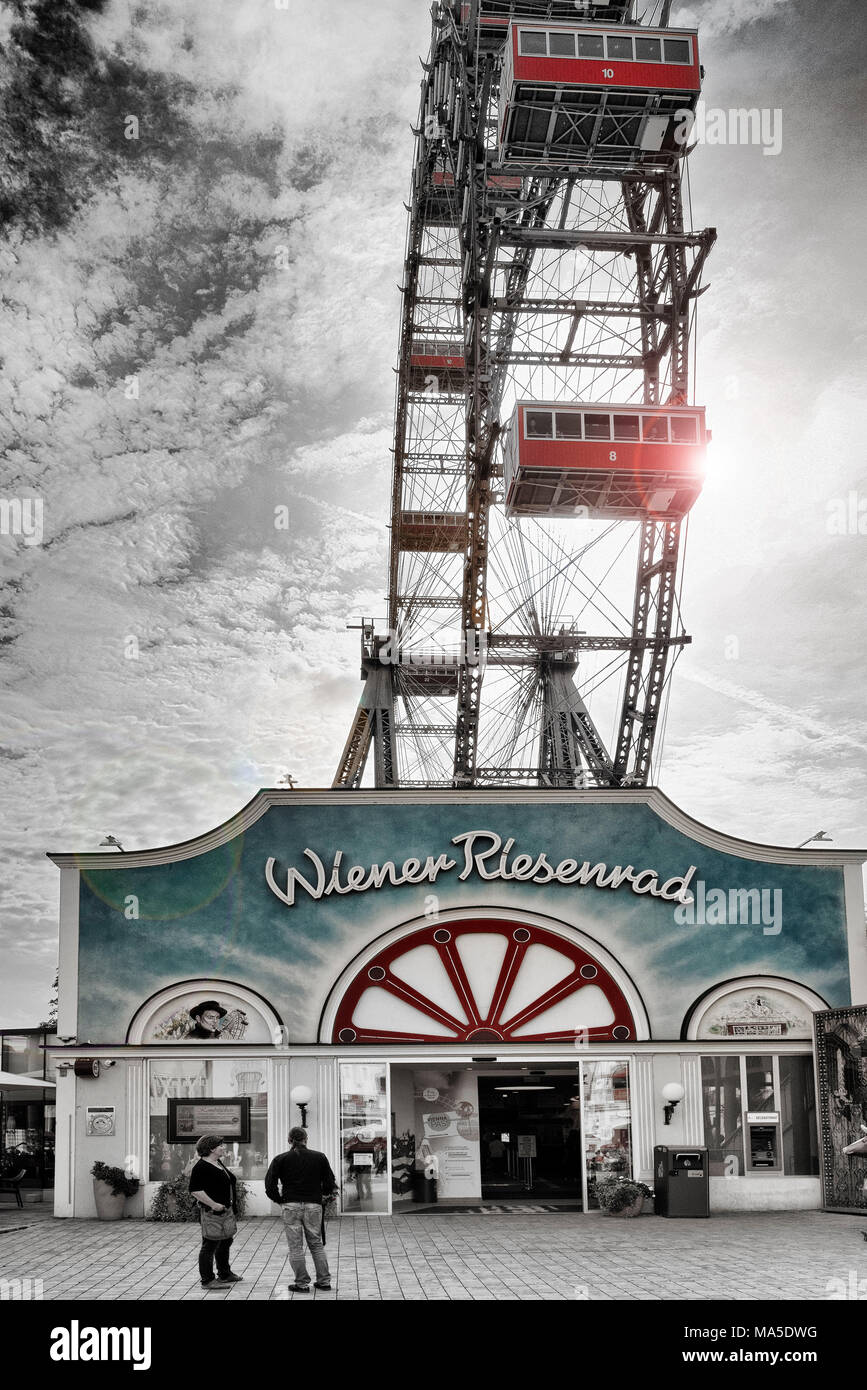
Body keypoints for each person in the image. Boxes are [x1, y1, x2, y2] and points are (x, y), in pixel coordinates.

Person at [265, 1127, 337, 1293]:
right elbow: (329, 1182)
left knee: (295, 1247)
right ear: (306, 1139)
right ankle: (324, 1281)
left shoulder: (280, 1159)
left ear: (289, 1140)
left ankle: (302, 1283)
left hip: (291, 1204)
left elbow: (270, 1184)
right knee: (316, 1244)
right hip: (313, 1204)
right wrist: (323, 1195)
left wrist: (279, 1200)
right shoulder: (319, 1157)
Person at [188, 1136, 243, 1289]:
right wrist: (213, 1204)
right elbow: (195, 1190)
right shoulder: (201, 1167)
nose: (224, 1147)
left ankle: (224, 1274)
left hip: (225, 1211)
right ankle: (207, 1280)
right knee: (210, 1245)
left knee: (225, 1241)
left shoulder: (217, 1162)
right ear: (211, 1149)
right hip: (212, 1212)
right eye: (221, 1145)